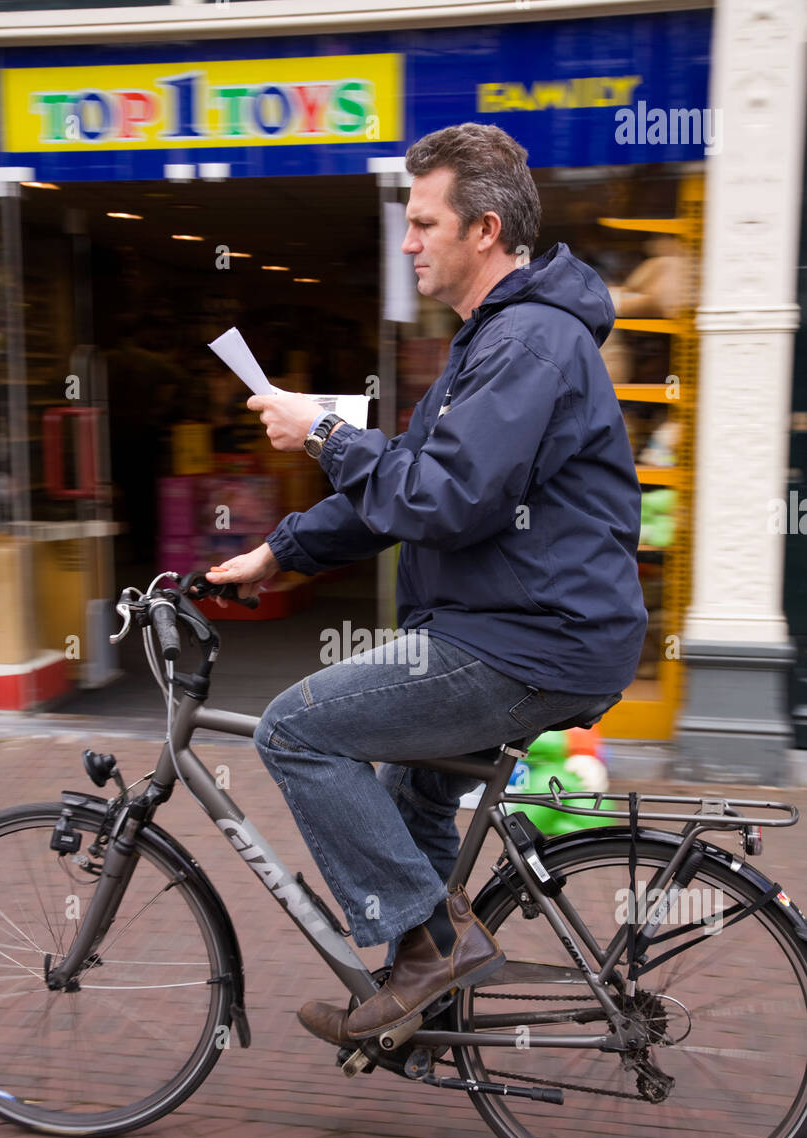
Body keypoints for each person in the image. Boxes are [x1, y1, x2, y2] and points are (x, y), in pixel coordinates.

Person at [206, 123, 648, 1048]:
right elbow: (406, 486)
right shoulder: (492, 343)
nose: (409, 243)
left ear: (483, 230)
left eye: (424, 222)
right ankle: (432, 1006)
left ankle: (431, 953)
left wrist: (322, 436)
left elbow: (440, 499)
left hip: (529, 639)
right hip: (520, 628)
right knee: (411, 796)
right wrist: (280, 552)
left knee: (297, 729)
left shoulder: (526, 344)